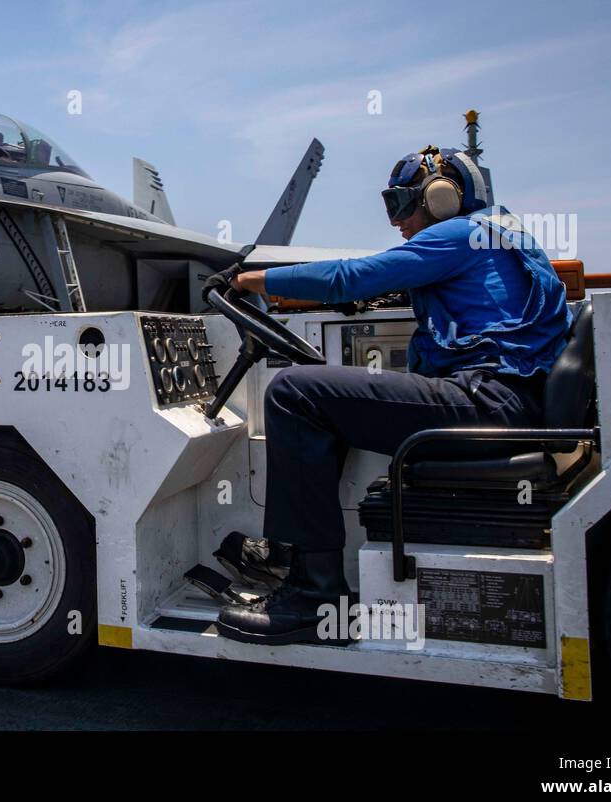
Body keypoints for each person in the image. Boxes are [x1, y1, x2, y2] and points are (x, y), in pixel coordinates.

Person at [212, 146, 570, 645]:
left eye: (403, 203)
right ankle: (293, 554)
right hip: (504, 401)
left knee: (295, 392)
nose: (398, 220)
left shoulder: (460, 233)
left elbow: (349, 277)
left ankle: (316, 599)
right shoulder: (494, 234)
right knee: (320, 398)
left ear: (442, 198)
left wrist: (251, 278)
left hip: (486, 401)